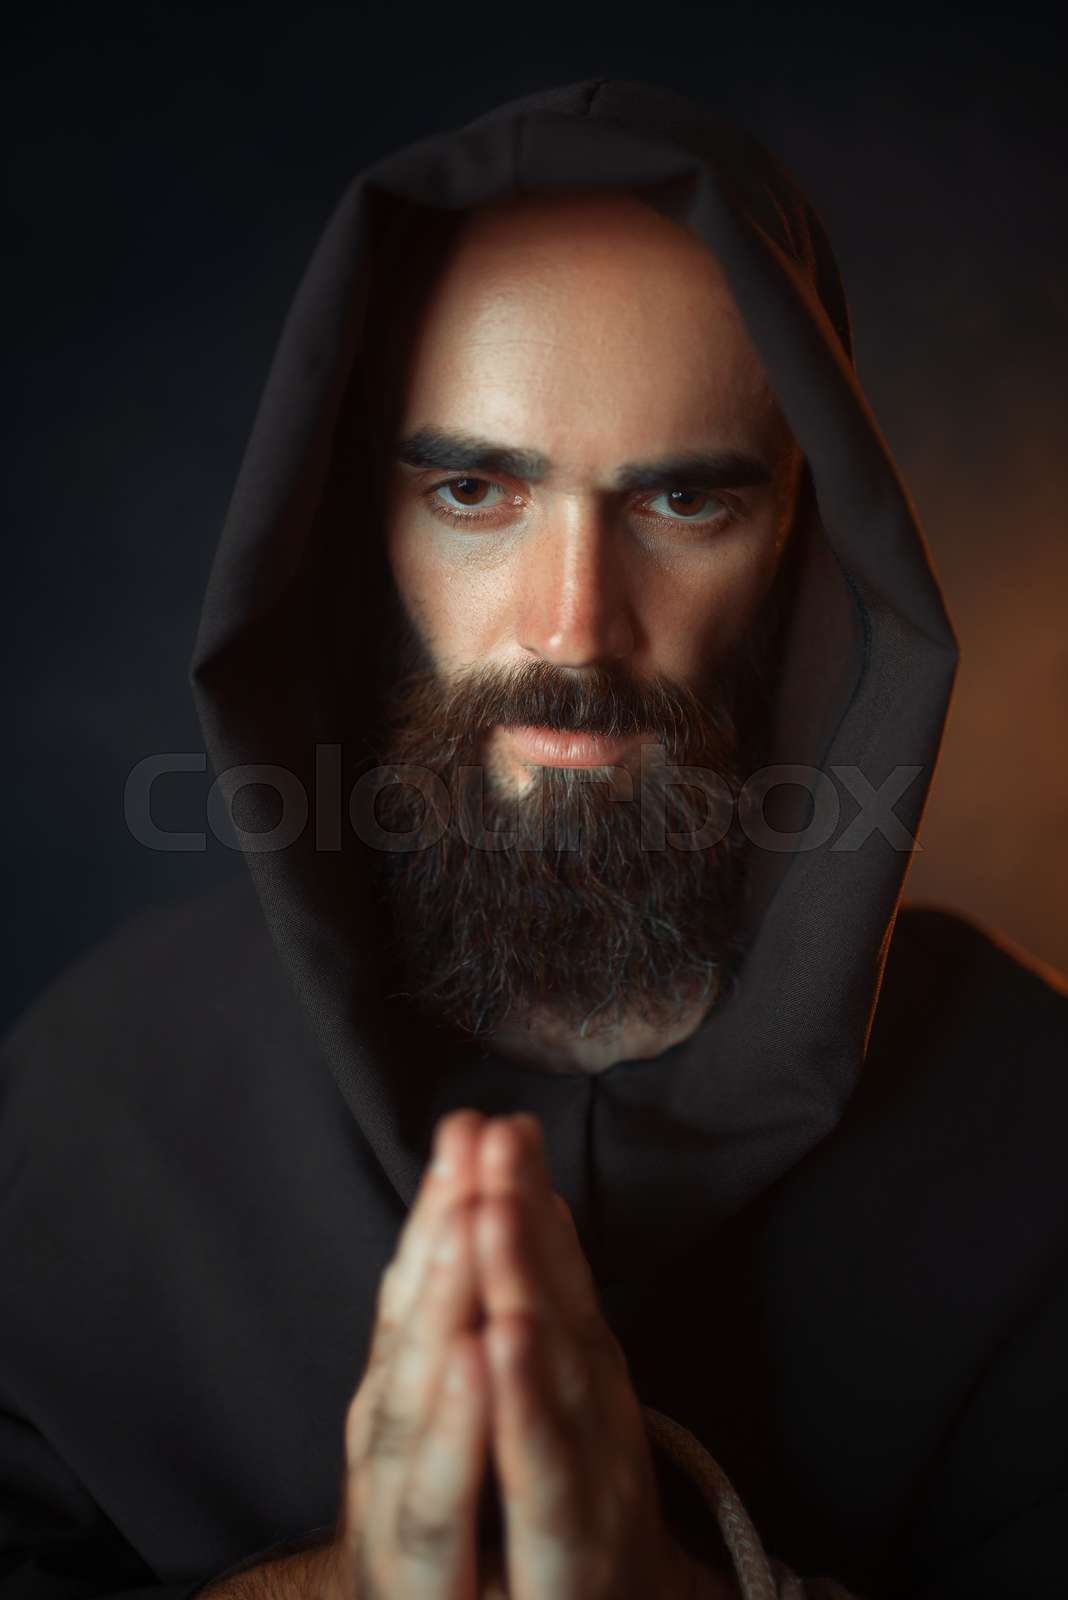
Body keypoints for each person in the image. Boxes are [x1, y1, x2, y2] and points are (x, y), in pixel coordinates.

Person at [2, 75, 1066, 1600]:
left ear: (805, 555)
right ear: (358, 529)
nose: (574, 622)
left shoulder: (1030, 1127)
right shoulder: (92, 1107)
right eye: (475, 491)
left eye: (686, 504)